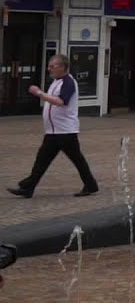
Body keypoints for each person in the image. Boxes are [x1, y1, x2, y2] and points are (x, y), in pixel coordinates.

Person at [7, 54, 99, 199]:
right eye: (49, 66)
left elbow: (62, 101)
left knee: (76, 159)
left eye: (52, 66)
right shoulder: (56, 82)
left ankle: (91, 185)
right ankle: (28, 187)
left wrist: (39, 93)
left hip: (65, 131)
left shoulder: (68, 82)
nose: (49, 69)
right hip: (53, 131)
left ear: (62, 67)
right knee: (42, 159)